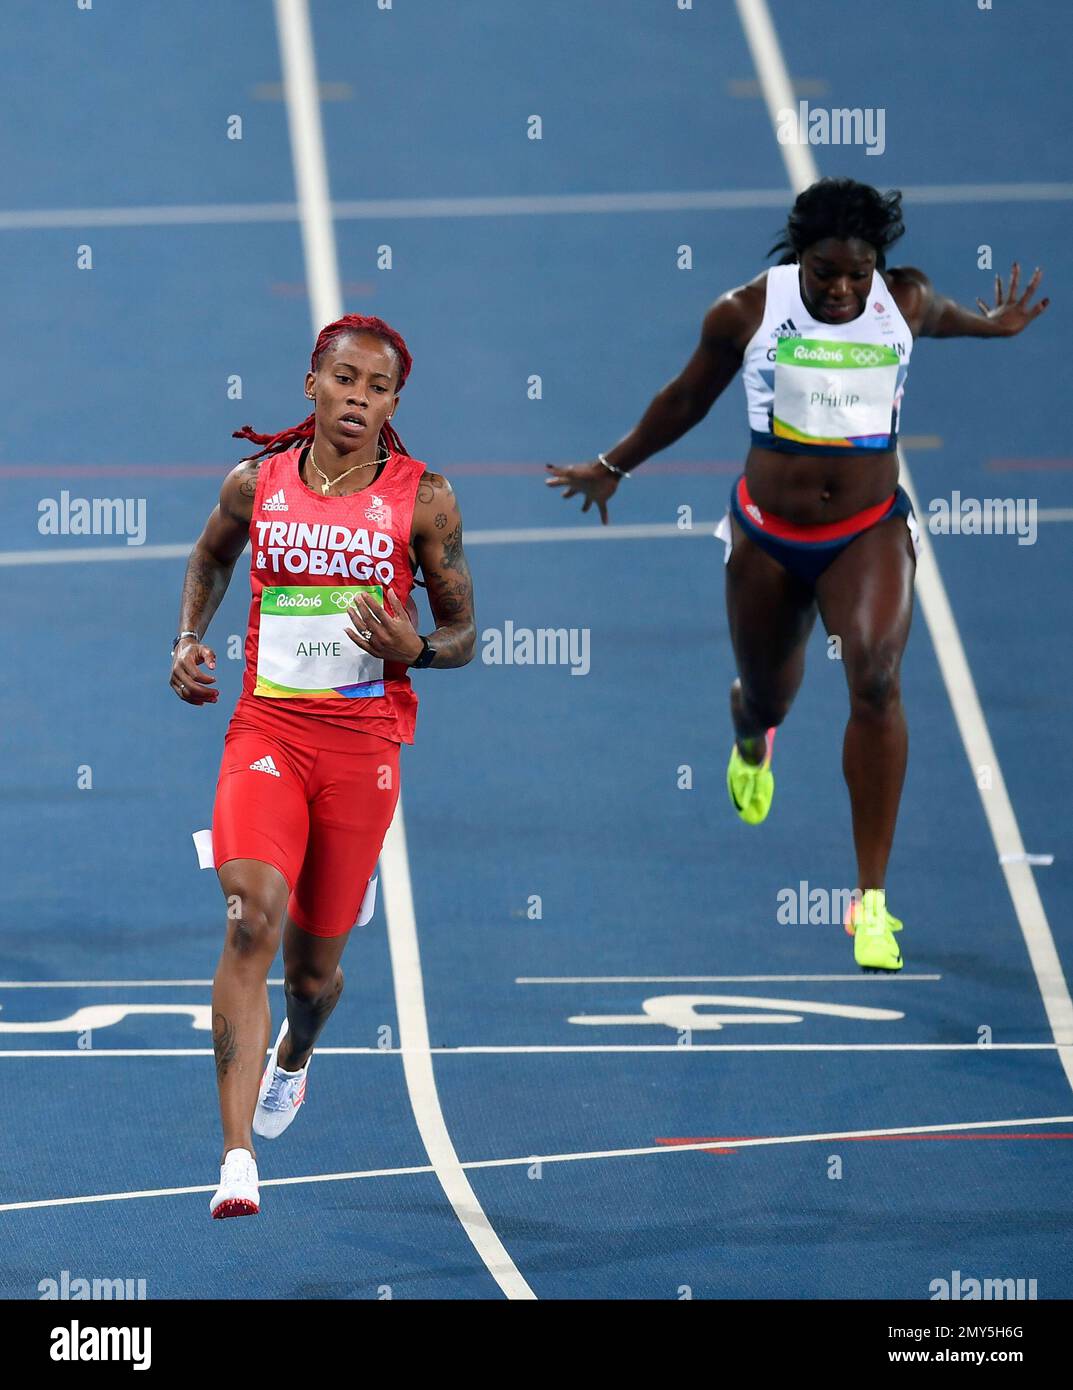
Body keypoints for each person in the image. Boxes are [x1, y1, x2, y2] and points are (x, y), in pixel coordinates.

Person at [546, 178, 1047, 972]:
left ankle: (871, 903)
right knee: (770, 692)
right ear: (797, 259)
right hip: (768, 538)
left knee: (877, 679)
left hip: (866, 531)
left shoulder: (904, 302)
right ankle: (750, 732)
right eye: (824, 273)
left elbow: (952, 318)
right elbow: (684, 399)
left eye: (858, 273)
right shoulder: (744, 312)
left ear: (879, 266)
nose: (843, 290)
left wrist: (996, 325)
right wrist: (612, 466)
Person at [170, 313, 476, 1217]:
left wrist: (414, 646)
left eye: (377, 388)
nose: (358, 398)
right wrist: (188, 639)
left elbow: (464, 633)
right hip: (265, 734)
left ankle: (296, 1052)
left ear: (393, 405)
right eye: (345, 379)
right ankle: (234, 1162)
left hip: (362, 749)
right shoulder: (253, 483)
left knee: (310, 978)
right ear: (313, 384)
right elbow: (208, 557)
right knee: (248, 918)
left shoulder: (425, 500)